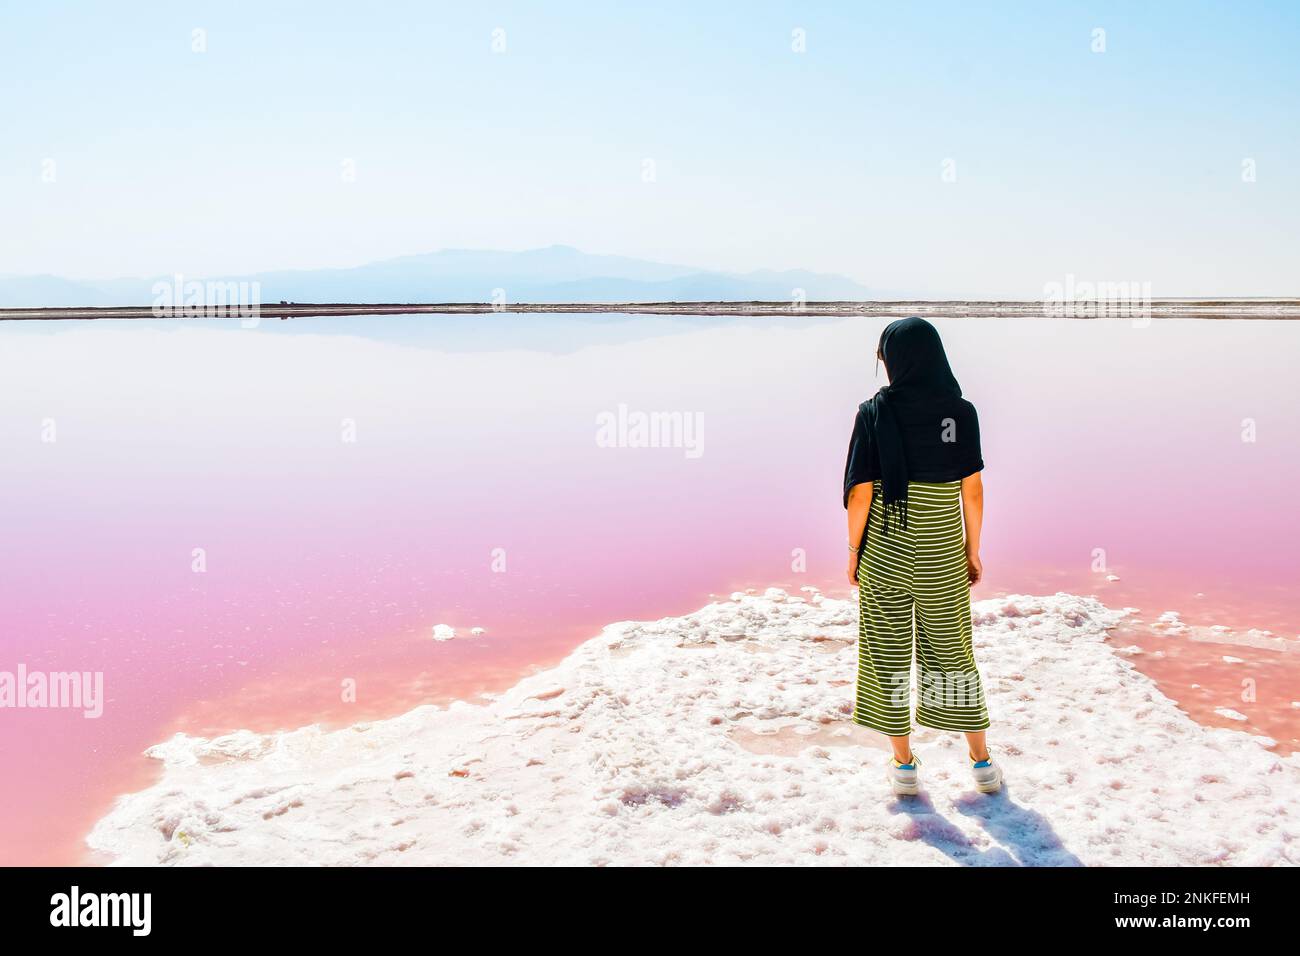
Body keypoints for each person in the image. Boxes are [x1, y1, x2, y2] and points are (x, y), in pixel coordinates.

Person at [842, 317, 1002, 796]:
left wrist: (854, 552)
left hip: (886, 552)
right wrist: (972, 551)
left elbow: (861, 493)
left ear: (892, 361)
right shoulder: (961, 413)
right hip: (941, 551)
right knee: (954, 654)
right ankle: (981, 763)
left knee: (884, 656)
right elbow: (971, 491)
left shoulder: (873, 413)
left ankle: (905, 767)